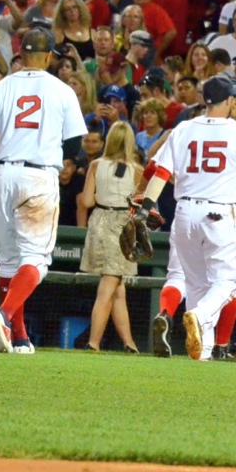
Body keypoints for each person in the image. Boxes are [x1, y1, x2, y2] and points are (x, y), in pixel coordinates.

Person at [139, 76, 236, 361]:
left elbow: (160, 172)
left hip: (183, 213)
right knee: (229, 281)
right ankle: (199, 314)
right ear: (230, 101)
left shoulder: (183, 128)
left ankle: (203, 353)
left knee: (195, 284)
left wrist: (145, 207)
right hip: (218, 213)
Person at [0, 27, 87, 354]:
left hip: (3, 176)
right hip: (38, 175)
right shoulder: (62, 90)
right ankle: (5, 315)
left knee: (9, 261)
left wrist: (0, 143)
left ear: (20, 54)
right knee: (36, 260)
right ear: (49, 56)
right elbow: (75, 144)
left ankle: (19, 338)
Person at [79, 121, 144, 354]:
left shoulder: (96, 165)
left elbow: (86, 202)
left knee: (117, 287)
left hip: (99, 221)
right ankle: (93, 342)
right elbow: (142, 202)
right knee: (110, 284)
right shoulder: (137, 170)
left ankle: (129, 344)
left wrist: (103, 193)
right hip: (122, 224)